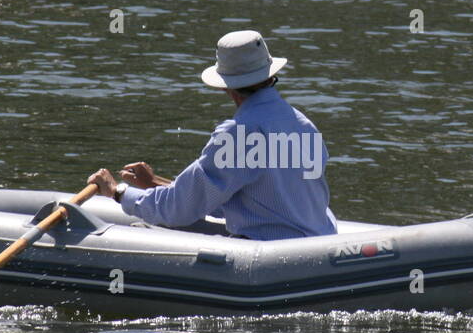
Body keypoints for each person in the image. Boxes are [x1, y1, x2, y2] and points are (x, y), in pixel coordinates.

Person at [88, 30, 338, 240]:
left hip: (274, 254)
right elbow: (250, 198)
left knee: (143, 230)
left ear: (226, 86)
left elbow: (179, 210)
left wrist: (116, 191)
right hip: (319, 246)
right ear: (270, 74)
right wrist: (154, 184)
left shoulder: (238, 134)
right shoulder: (304, 125)